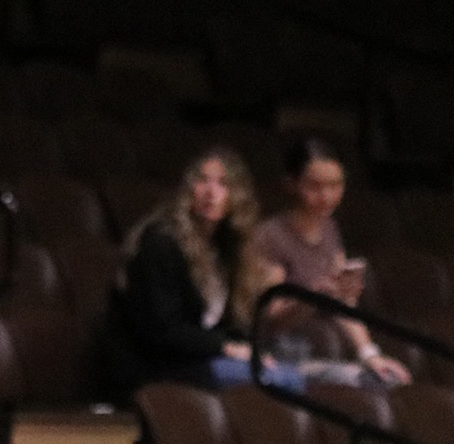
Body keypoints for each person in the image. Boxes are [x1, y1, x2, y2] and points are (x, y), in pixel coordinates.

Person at [100, 146, 300, 400]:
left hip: (196, 361)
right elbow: (162, 331)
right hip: (155, 367)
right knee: (283, 381)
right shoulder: (161, 243)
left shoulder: (226, 247)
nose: (210, 192)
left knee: (291, 373)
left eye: (223, 184)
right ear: (188, 190)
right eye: (202, 181)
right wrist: (227, 348)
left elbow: (227, 324)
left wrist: (247, 348)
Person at [256, 137, 411, 388]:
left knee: (388, 377)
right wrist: (315, 295)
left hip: (321, 349)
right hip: (282, 355)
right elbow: (272, 320)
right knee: (371, 385)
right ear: (292, 184)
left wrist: (370, 354)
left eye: (335, 185)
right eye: (315, 186)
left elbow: (343, 302)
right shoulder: (271, 236)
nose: (326, 196)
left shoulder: (330, 229)